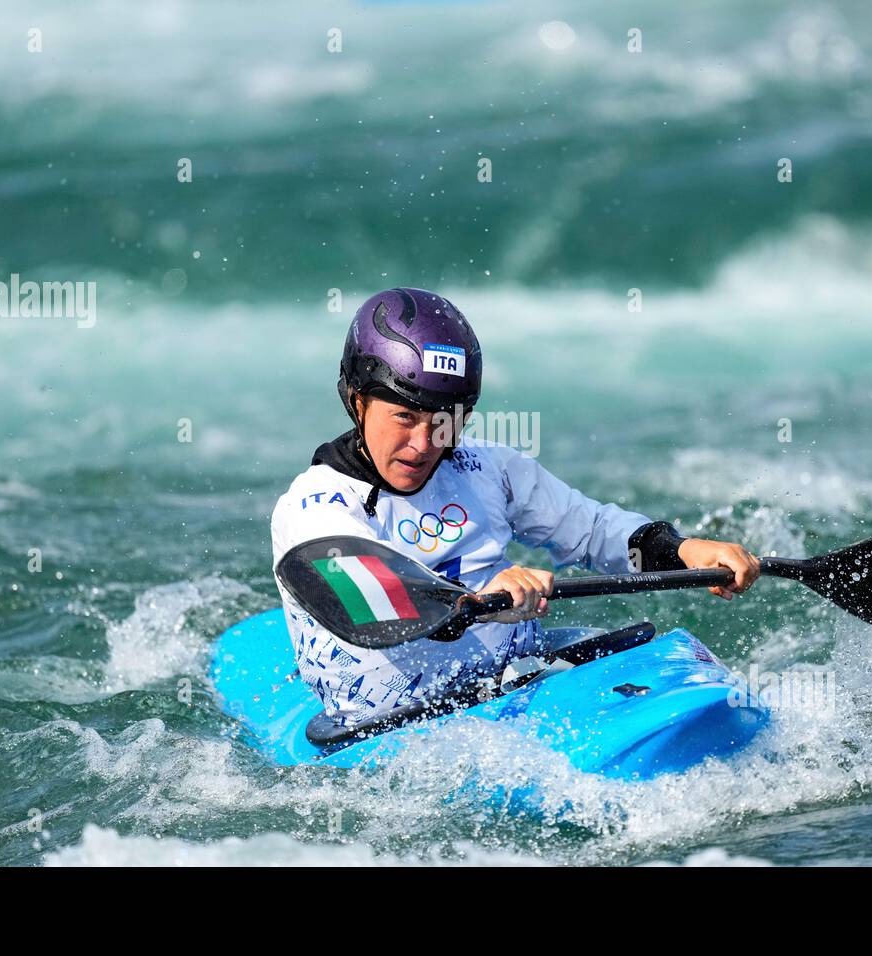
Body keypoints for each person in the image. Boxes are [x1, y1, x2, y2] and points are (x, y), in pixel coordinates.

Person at [270, 287, 759, 728]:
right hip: (397, 721)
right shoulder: (312, 508)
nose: (423, 444)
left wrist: (682, 550)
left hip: (517, 678)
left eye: (444, 421)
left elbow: (591, 530)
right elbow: (362, 595)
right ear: (357, 402)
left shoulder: (487, 467)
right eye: (404, 417)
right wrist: (477, 602)